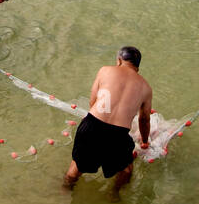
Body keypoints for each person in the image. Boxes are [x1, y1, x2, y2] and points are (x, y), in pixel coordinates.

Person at [63, 46, 152, 191]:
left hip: (92, 125)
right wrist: (145, 141)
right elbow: (144, 119)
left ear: (119, 60)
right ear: (137, 67)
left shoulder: (105, 70)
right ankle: (114, 195)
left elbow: (93, 101)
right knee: (126, 170)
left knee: (77, 166)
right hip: (118, 135)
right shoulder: (146, 87)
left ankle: (65, 190)